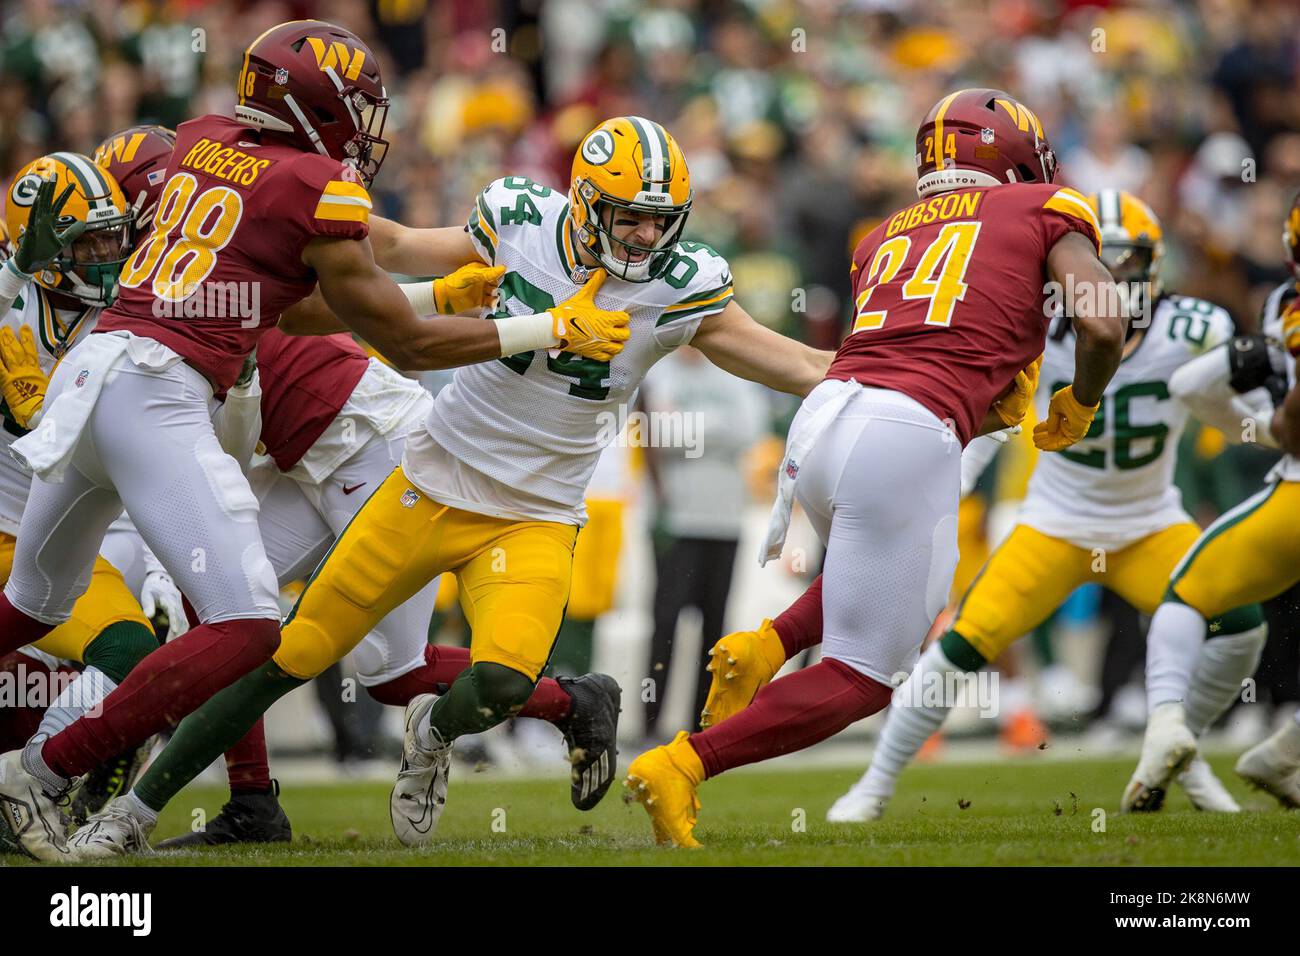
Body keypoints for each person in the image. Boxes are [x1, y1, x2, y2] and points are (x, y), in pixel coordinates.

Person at [63, 113, 837, 856]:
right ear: (586, 201)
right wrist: (314, 225)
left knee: (500, 680)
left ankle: (430, 733)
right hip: (430, 480)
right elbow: (397, 242)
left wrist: (892, 386)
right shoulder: (519, 217)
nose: (647, 237)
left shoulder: (681, 284)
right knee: (283, 653)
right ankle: (132, 814)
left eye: (661, 220)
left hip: (535, 513)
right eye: (629, 217)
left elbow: (797, 363)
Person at [0, 19, 627, 862]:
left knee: (48, 608)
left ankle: (245, 801)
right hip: (191, 403)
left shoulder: (202, 139)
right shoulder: (308, 185)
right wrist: (544, 326)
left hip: (142, 388)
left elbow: (298, 304)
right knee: (251, 626)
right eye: (355, 107)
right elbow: (381, 334)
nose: (367, 126)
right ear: (310, 107)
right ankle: (49, 771)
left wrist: (441, 289)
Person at [623, 88, 1126, 847]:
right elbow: (1101, 315)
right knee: (867, 674)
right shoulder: (1046, 206)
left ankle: (765, 645)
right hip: (903, 431)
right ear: (1010, 153)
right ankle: (686, 764)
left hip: (825, 420)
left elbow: (917, 345)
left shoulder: (881, 235)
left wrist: (987, 395)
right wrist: (1082, 399)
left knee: (870, 570)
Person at [826, 190, 1270, 822]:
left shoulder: (1195, 331)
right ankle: (872, 785)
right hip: (1055, 526)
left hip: (1150, 523)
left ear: (1156, 265)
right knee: (960, 647)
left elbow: (1237, 418)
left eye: (1128, 263)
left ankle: (1178, 748)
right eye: (1103, 265)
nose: (1113, 280)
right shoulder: (1043, 330)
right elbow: (992, 422)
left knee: (1243, 625)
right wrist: (942, 492)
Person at [1123, 189, 1300, 811]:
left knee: (1187, 596)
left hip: (1289, 492)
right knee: (1208, 602)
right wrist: (1265, 426)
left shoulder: (1282, 303)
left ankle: (1178, 729)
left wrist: (1259, 426)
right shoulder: (1278, 310)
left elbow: (1192, 383)